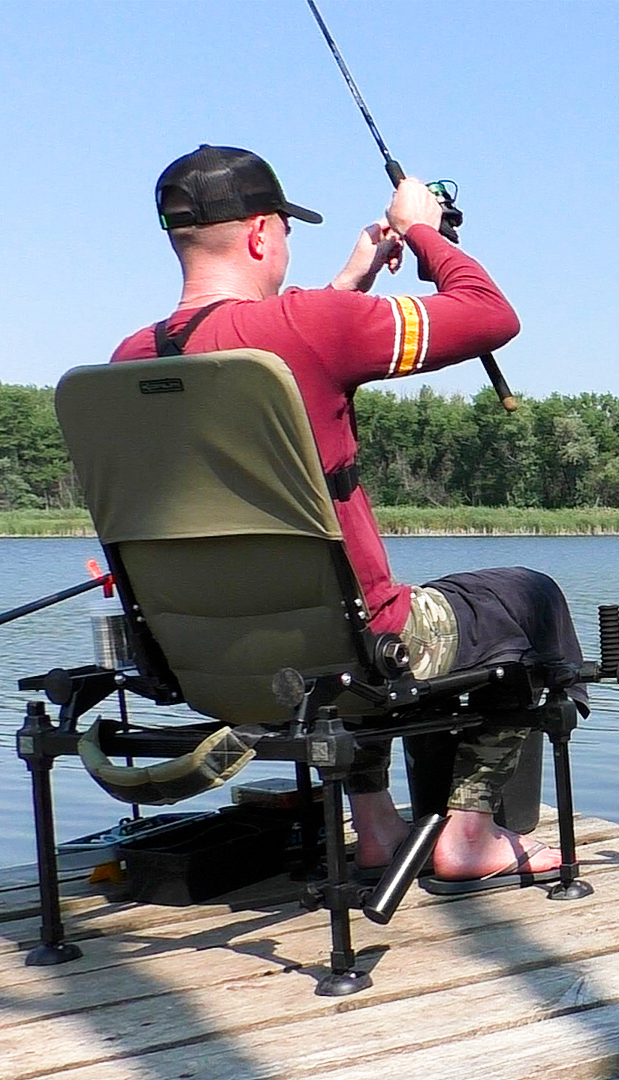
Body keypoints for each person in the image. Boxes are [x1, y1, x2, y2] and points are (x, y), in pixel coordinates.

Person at [112, 145, 582, 886]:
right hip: (356, 644)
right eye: (285, 235)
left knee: (334, 623)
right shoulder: (312, 327)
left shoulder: (131, 361)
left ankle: (377, 829)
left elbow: (270, 350)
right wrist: (423, 229)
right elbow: (492, 317)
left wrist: (348, 283)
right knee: (523, 598)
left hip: (207, 659)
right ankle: (469, 836)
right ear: (264, 234)